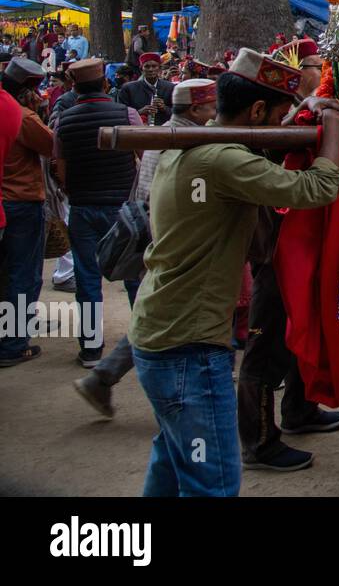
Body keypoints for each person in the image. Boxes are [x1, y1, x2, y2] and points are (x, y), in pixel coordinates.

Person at [129, 50, 339, 496]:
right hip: (188, 346)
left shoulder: (195, 142)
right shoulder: (222, 160)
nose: (283, 125)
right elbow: (321, 187)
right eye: (279, 115)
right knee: (213, 484)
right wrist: (334, 122)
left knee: (172, 466)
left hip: (160, 333)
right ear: (258, 111)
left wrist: (300, 113)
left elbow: (257, 144)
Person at [72, 78, 219, 417]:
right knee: (161, 314)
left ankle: (105, 376)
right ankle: (108, 377)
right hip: (171, 240)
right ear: (196, 109)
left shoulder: (168, 132)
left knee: (157, 312)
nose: (213, 115)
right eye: (210, 108)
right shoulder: (181, 139)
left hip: (161, 236)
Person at [54, 58, 144, 368]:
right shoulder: (126, 114)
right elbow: (145, 158)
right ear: (105, 84)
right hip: (123, 209)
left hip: (82, 209)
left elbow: (60, 171)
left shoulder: (63, 121)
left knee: (87, 279)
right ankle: (144, 341)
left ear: (74, 87)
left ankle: (91, 349)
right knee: (133, 275)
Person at [0, 58, 53, 367]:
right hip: (20, 203)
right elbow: (52, 146)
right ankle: (13, 345)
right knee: (24, 276)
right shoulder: (23, 116)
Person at [117, 52, 175, 125]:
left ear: (160, 68)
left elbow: (178, 114)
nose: (150, 70)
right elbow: (121, 114)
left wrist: (165, 108)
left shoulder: (170, 88)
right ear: (141, 69)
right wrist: (139, 112)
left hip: (164, 131)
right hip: (137, 132)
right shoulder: (128, 89)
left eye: (154, 66)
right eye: (147, 66)